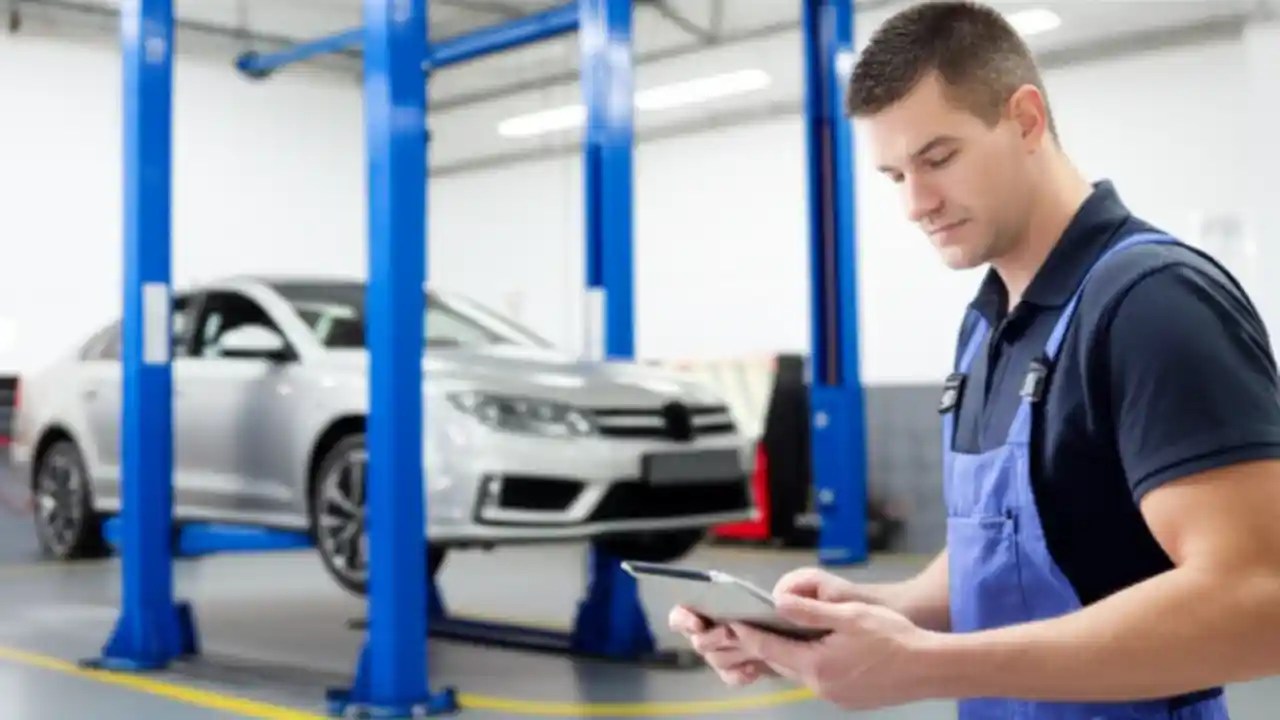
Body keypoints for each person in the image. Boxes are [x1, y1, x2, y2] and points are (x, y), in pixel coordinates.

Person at [669, 1, 1280, 716]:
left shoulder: (1153, 304)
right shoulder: (987, 325)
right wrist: (869, 611)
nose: (917, 204)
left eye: (938, 158)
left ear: (1025, 120)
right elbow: (1000, 563)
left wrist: (928, 666)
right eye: (895, 176)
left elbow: (1258, 603)